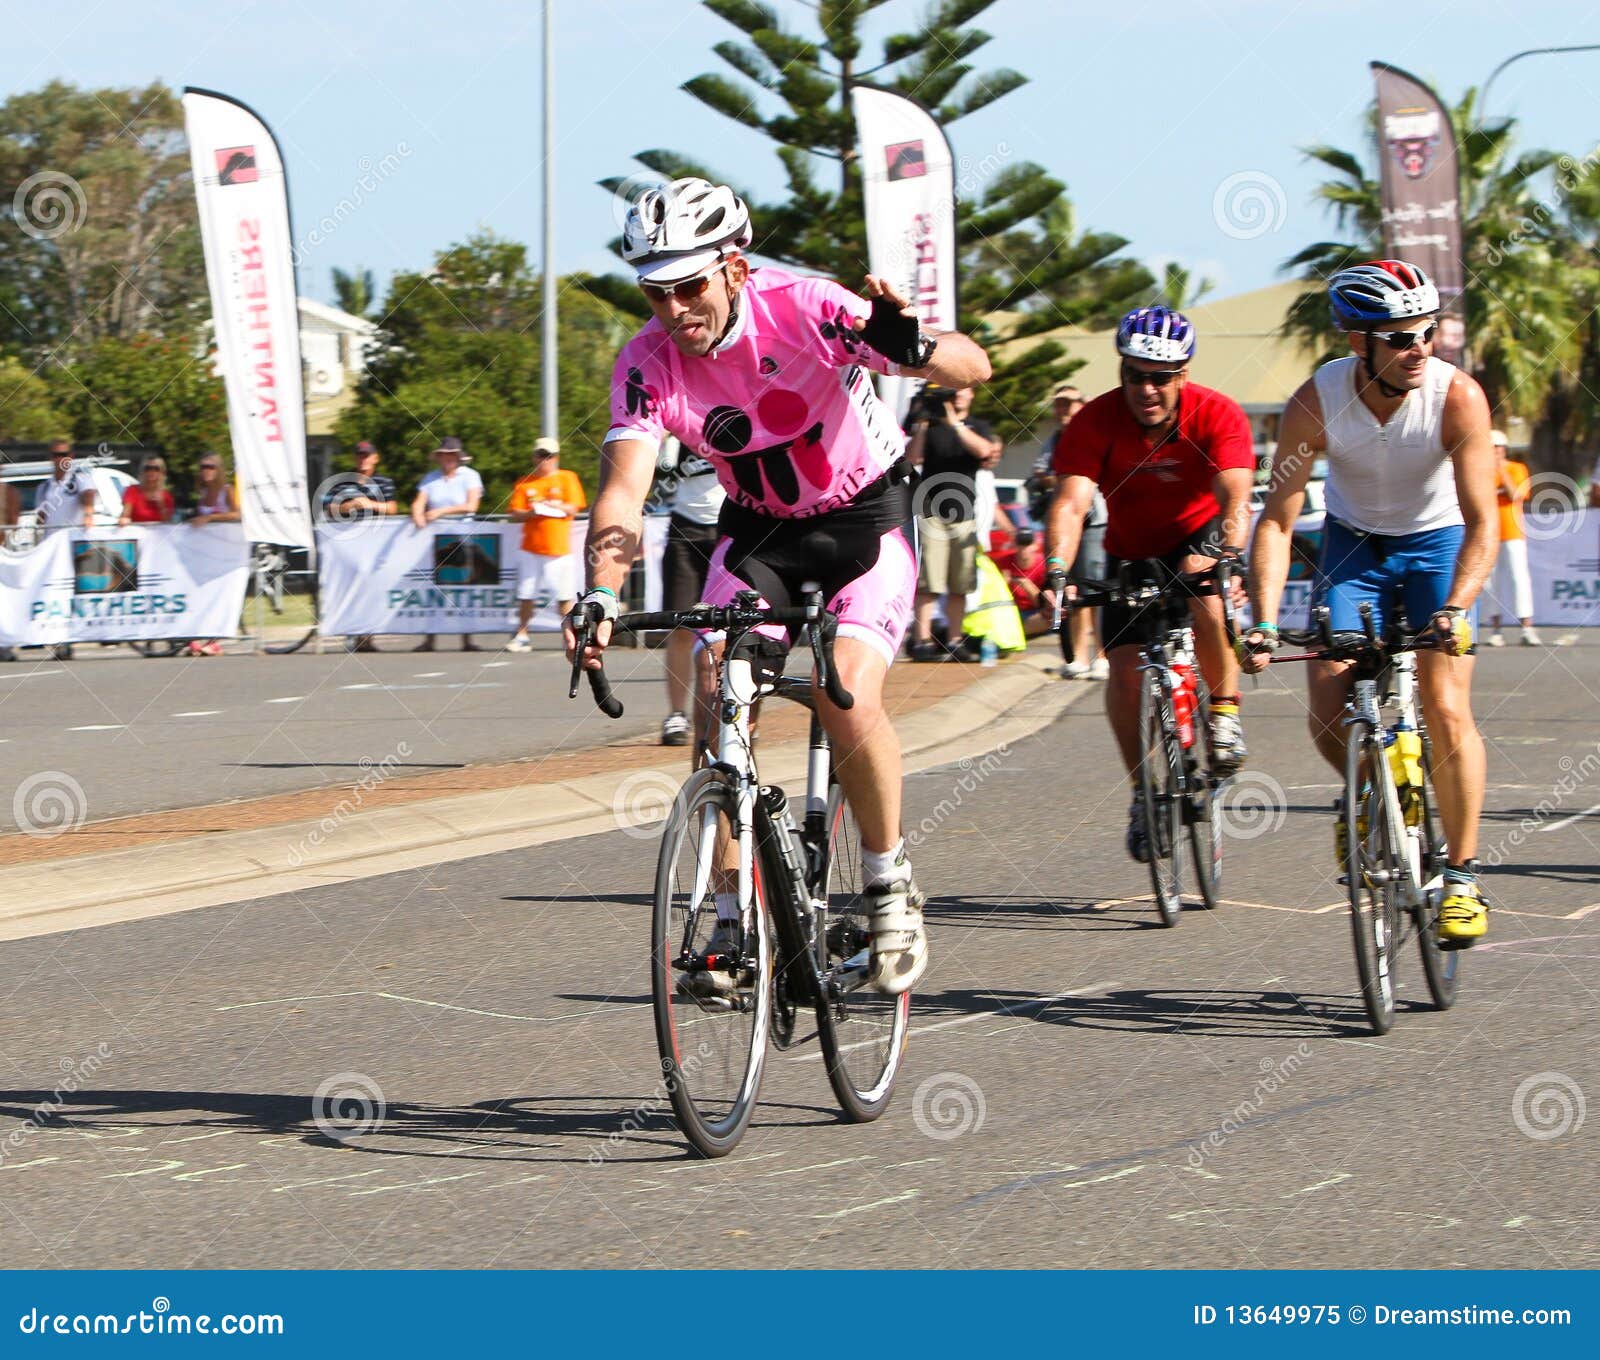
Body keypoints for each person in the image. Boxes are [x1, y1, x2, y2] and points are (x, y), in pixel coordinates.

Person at [567, 175, 992, 995]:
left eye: (690, 286)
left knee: (846, 696)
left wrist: (914, 349)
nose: (674, 310)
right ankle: (731, 918)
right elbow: (623, 492)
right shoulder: (645, 362)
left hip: (863, 524)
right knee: (714, 679)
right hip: (759, 533)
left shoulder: (805, 306)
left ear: (734, 265)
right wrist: (602, 593)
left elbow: (973, 362)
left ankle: (887, 880)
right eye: (655, 293)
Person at [1243, 259, 1497, 946]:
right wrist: (1261, 622)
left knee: (1445, 704)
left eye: (1428, 332)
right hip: (1356, 546)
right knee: (1327, 700)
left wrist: (1456, 607)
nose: (1421, 348)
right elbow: (1275, 521)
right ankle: (1366, 796)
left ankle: (1463, 875)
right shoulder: (1314, 402)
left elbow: (1484, 522)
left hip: (1437, 544)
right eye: (1401, 338)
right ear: (1359, 343)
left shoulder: (1457, 397)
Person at [1042, 306, 1255, 863]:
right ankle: (1143, 792)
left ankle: (1225, 714)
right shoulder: (1095, 420)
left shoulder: (1217, 413)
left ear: (1182, 376)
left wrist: (1228, 553)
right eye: (1134, 375)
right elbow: (1071, 502)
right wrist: (1058, 572)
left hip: (1199, 538)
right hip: (1131, 551)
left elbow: (1236, 493)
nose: (1147, 389)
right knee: (1125, 675)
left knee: (1205, 600)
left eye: (1160, 378)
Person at [907, 385, 1002, 660]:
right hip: (930, 512)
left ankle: (954, 639)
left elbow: (984, 451)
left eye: (963, 390)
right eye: (952, 390)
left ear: (972, 394)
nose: (957, 394)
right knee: (929, 582)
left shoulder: (977, 426)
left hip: (963, 513)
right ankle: (922, 640)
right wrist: (924, 424)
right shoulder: (930, 426)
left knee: (960, 583)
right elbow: (912, 459)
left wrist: (954, 423)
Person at [1036, 383, 1108, 678]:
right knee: (1070, 587)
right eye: (1060, 404)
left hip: (1094, 520)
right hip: (1065, 521)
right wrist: (1059, 481)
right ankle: (1078, 656)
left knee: (1095, 588)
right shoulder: (1053, 440)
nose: (1064, 410)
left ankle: (1102, 655)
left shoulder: (1094, 432)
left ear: (1083, 404)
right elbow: (1041, 474)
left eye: (1070, 404)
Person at [656, 435, 725, 745]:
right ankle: (676, 715)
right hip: (686, 530)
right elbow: (659, 466)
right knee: (681, 628)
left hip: (731, 527)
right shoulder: (680, 428)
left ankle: (734, 707)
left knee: (733, 627)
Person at [506, 438, 586, 653]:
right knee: (526, 593)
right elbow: (514, 512)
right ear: (534, 457)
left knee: (564, 595)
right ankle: (521, 634)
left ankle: (569, 635)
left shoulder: (567, 478)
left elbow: (574, 507)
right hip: (530, 548)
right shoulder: (525, 482)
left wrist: (555, 505)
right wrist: (531, 512)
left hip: (558, 549)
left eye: (549, 456)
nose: (545, 460)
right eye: (541, 455)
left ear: (556, 458)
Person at [411, 435, 485, 652]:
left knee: (465, 587)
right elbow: (419, 502)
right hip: (435, 540)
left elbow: (472, 505)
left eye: (452, 455)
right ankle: (429, 639)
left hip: (462, 537)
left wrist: (441, 511)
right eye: (444, 455)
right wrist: (418, 515)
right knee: (433, 587)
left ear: (458, 457)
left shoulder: (470, 476)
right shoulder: (431, 478)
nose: (448, 459)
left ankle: (467, 638)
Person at [322, 440, 398, 652]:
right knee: (351, 586)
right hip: (350, 543)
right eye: (359, 455)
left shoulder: (384, 482)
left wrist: (369, 504)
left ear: (375, 457)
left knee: (373, 587)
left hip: (376, 543)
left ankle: (367, 635)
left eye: (367, 455)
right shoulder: (343, 482)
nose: (363, 459)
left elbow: (392, 508)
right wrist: (349, 505)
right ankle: (354, 633)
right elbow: (329, 508)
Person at [35, 439, 100, 660]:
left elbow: (88, 495)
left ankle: (76, 636)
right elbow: (40, 517)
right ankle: (60, 641)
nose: (59, 459)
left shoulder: (79, 478)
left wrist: (89, 514)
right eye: (55, 454)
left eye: (63, 454)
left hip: (75, 546)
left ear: (71, 456)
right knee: (56, 594)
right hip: (52, 550)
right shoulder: (44, 487)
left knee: (77, 593)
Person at [184, 452, 242, 656]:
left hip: (225, 550)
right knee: (198, 592)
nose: (206, 471)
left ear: (218, 470)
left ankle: (214, 640)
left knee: (218, 594)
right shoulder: (202, 492)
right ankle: (195, 636)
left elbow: (237, 513)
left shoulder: (226, 490)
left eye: (210, 467)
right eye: (203, 467)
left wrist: (210, 518)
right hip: (204, 551)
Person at [1486, 430, 1539, 647]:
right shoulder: (1480, 471)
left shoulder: (1517, 469)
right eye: (1491, 447)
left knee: (1519, 578)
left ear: (1504, 449)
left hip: (1512, 533)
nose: (1495, 451)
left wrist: (1499, 468)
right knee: (1491, 583)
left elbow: (1516, 494)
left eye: (1498, 447)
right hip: (1488, 534)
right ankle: (1495, 629)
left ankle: (1527, 627)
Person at [990, 528, 1053, 637]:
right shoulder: (1002, 562)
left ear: (1035, 546)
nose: (1024, 549)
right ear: (1015, 545)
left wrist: (1025, 585)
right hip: (1011, 611)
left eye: (1027, 544)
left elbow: (1042, 605)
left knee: (1050, 618)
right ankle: (1014, 632)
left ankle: (1013, 633)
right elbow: (992, 598)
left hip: (1034, 612)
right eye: (1020, 544)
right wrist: (1003, 584)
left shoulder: (1043, 565)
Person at [118, 456, 175, 525]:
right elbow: (125, 515)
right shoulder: (132, 490)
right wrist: (124, 520)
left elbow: (168, 523)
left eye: (156, 469)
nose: (151, 471)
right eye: (147, 468)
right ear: (142, 472)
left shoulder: (166, 496)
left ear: (162, 473)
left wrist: (161, 504)